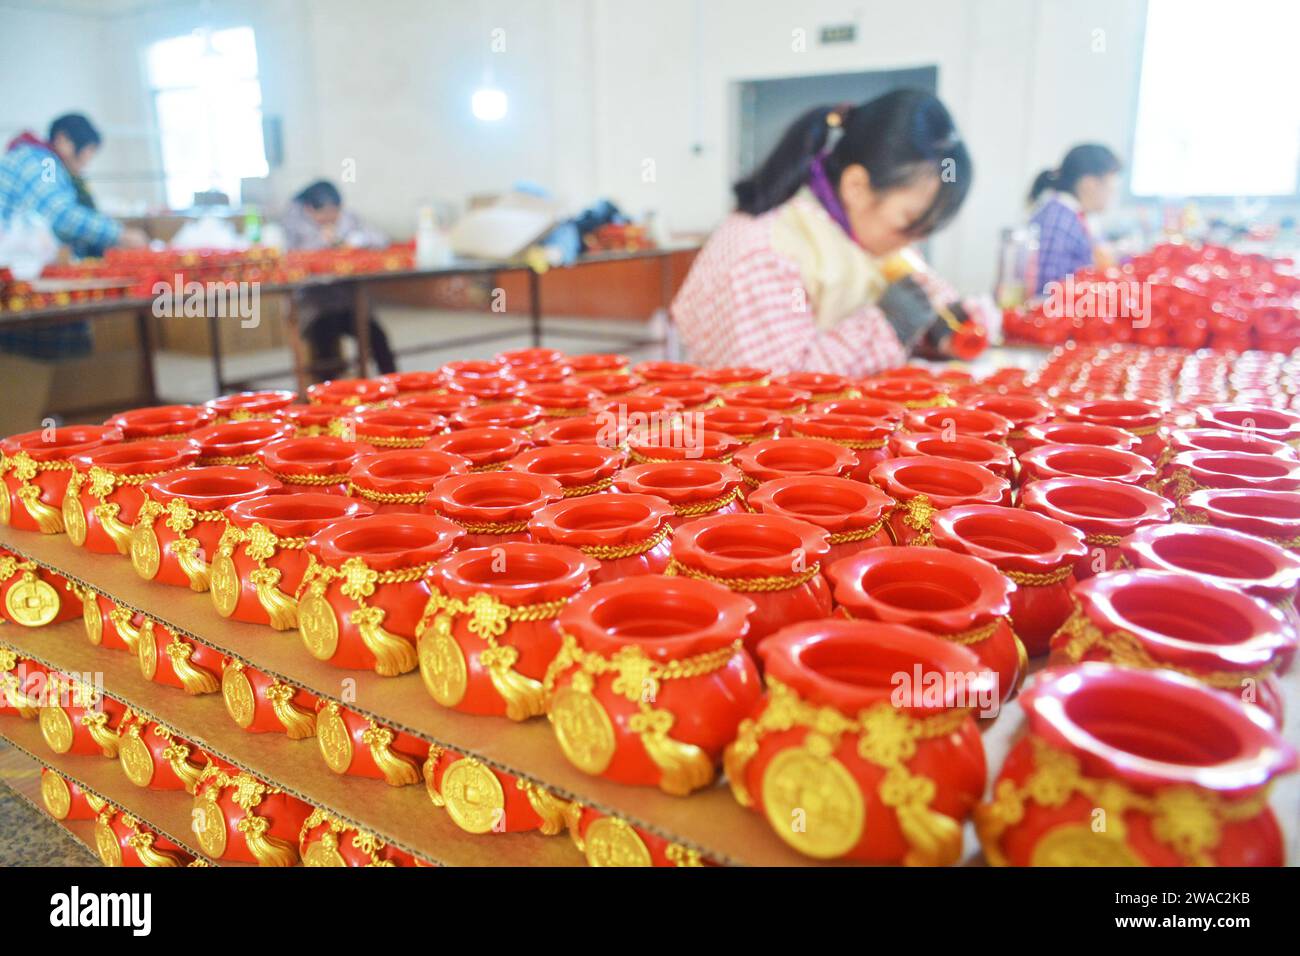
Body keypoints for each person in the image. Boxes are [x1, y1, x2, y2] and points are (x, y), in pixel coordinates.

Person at [671, 89, 974, 377]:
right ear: (856, 187)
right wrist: (889, 325)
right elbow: (778, 388)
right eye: (908, 223)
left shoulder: (857, 230)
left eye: (925, 231)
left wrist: (940, 327)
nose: (912, 243)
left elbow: (926, 293)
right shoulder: (767, 249)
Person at [0, 113, 148, 359]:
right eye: (87, 153)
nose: (85, 164)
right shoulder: (43, 164)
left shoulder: (33, 158)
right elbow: (61, 215)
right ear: (64, 141)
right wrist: (120, 235)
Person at [280, 180, 396, 380]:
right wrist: (323, 243)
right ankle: (329, 397)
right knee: (325, 343)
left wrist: (356, 240)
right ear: (309, 209)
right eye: (324, 212)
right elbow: (289, 257)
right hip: (315, 306)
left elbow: (381, 239)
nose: (330, 217)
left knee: (377, 336)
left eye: (335, 211)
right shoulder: (293, 224)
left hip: (349, 302)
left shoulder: (348, 218)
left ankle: (395, 384)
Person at [1027, 144, 1121, 294]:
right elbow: (1047, 288)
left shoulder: (1077, 215)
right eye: (1111, 187)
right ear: (1089, 184)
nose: (1113, 194)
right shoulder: (1058, 219)